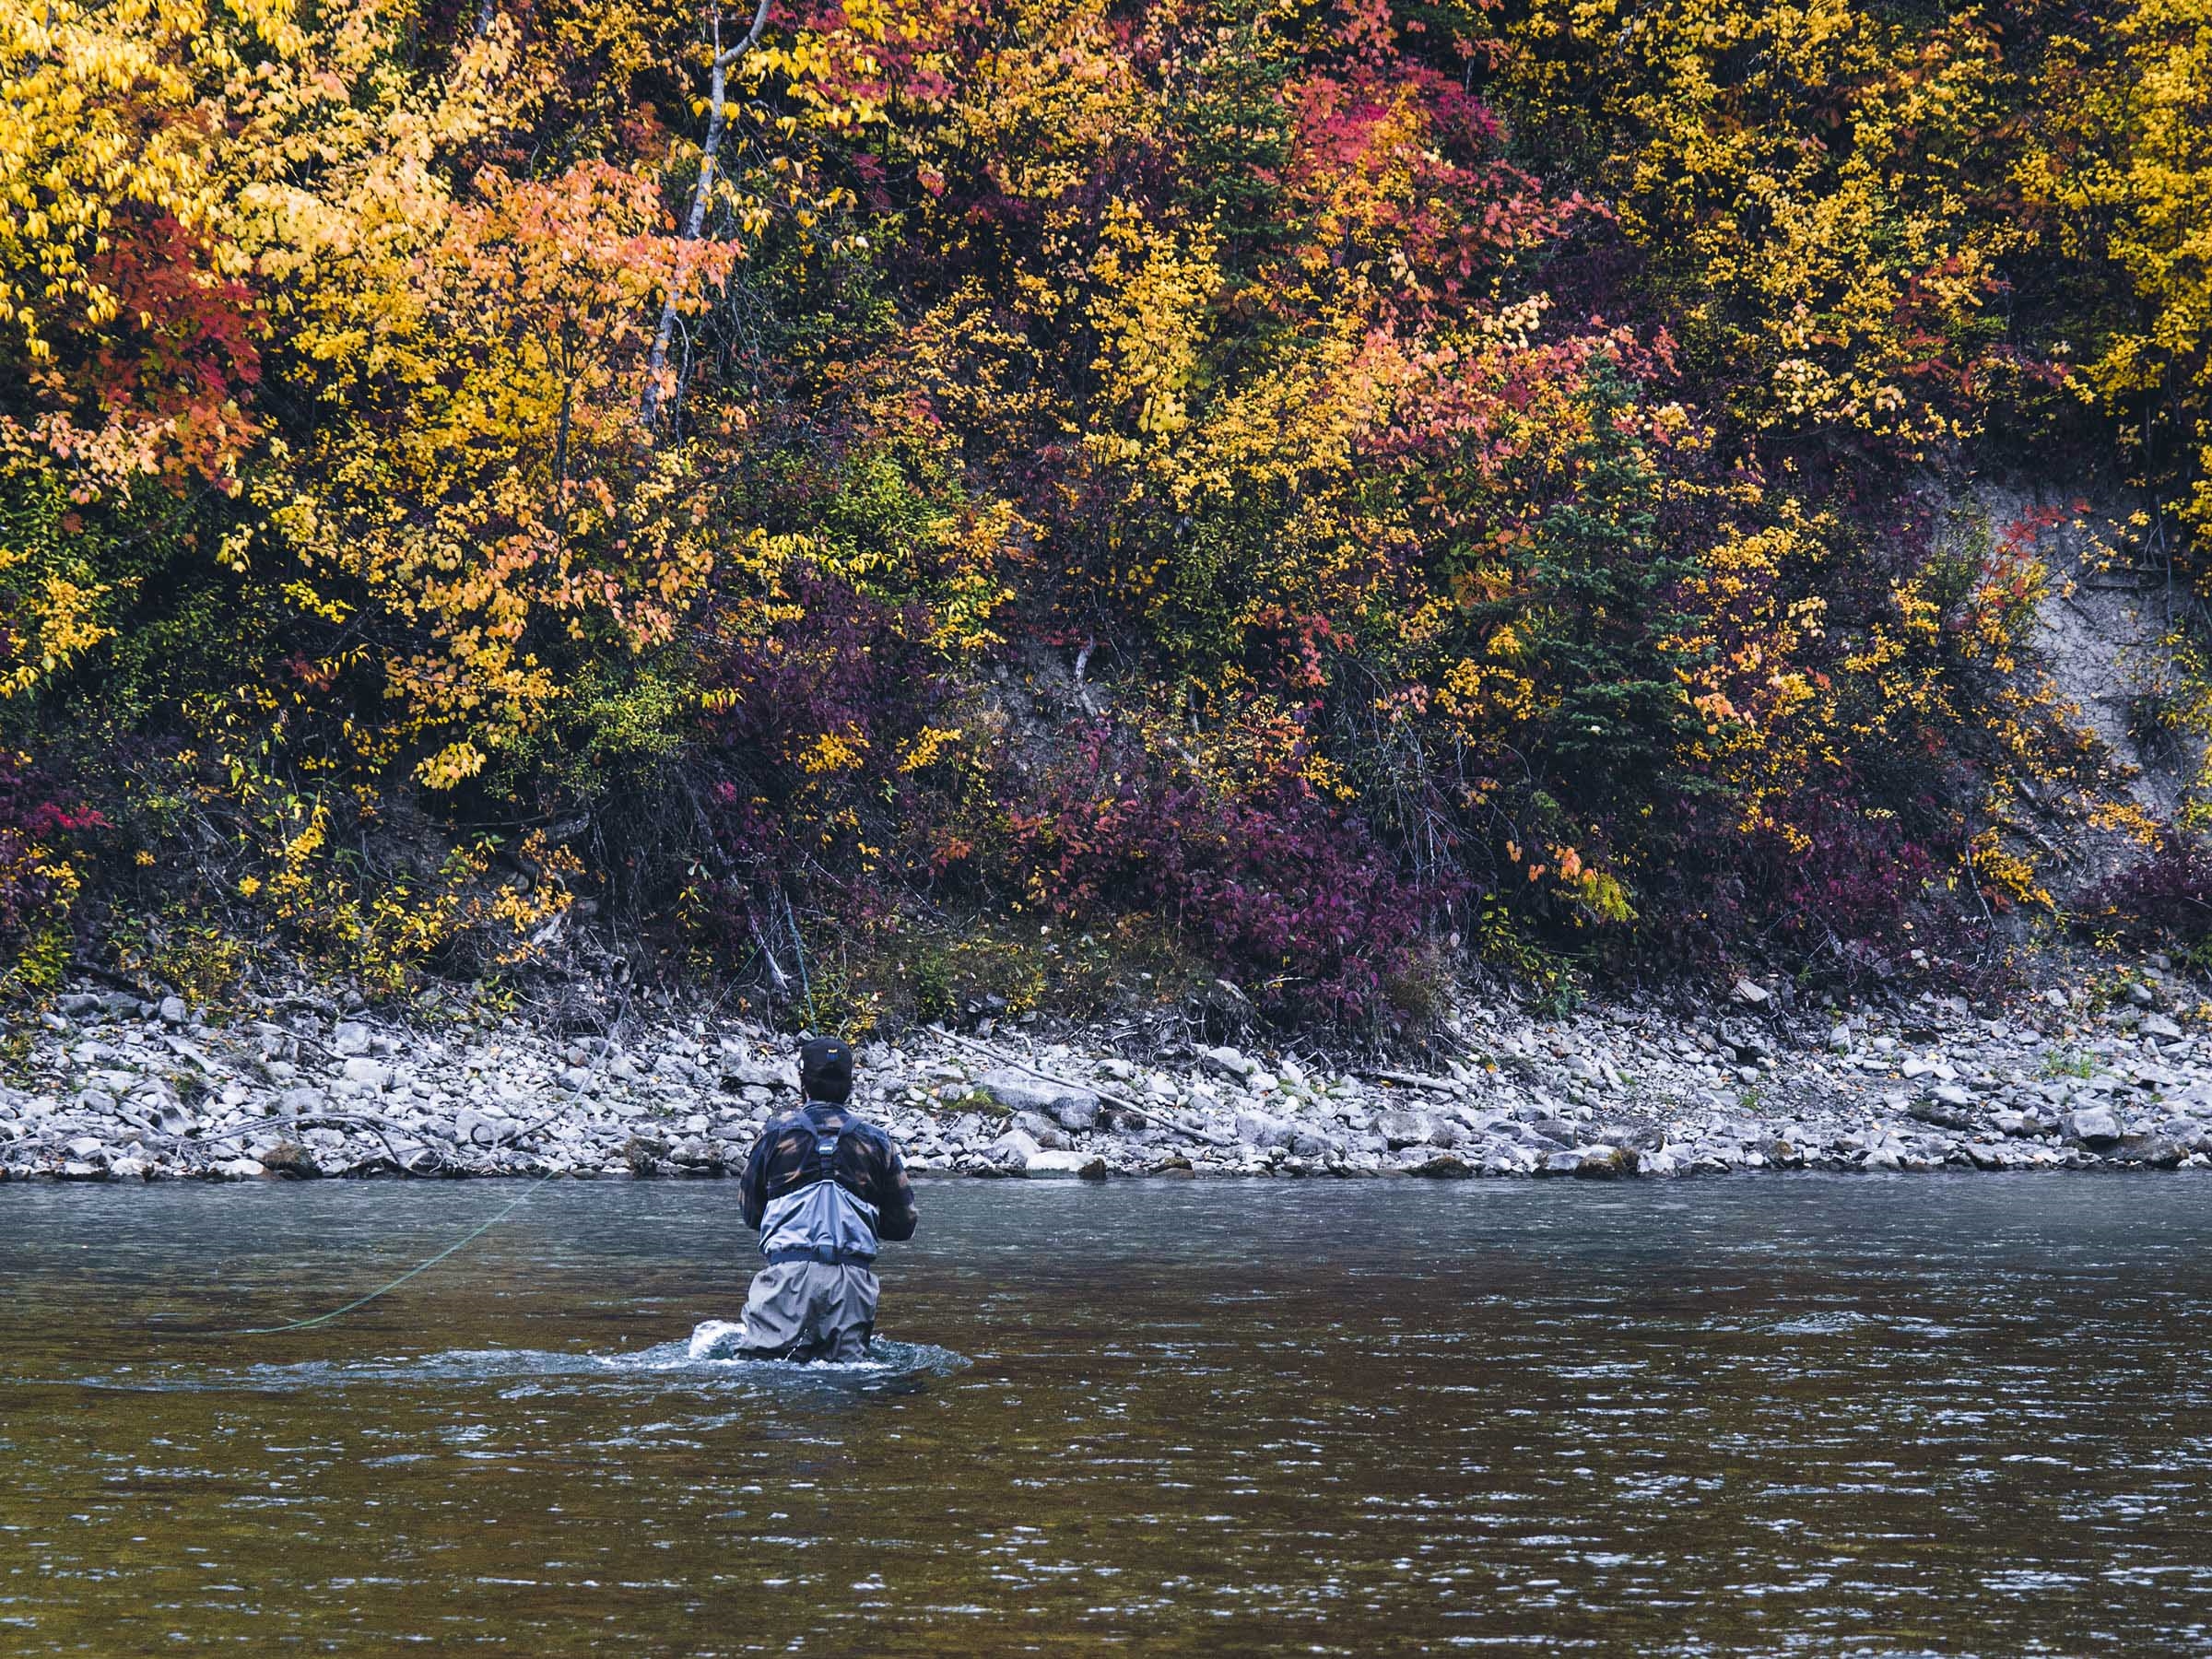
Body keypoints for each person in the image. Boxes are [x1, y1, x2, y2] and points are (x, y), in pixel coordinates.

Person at [734, 1036, 918, 1361]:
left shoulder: (775, 1134)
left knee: (761, 1373)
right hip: (851, 1283)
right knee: (846, 1382)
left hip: (785, 1277)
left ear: (802, 1082)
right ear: (849, 1085)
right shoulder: (876, 1142)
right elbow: (903, 1225)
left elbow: (750, 1215)